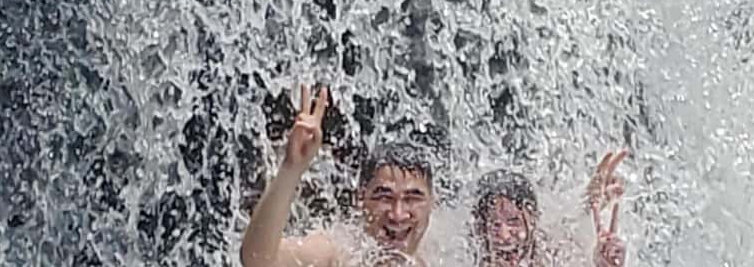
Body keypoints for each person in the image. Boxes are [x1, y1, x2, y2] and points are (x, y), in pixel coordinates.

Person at [240, 84, 437, 267]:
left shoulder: (441, 254)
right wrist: (291, 168)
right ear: (360, 200)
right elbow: (258, 260)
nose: (398, 214)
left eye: (412, 198)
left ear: (432, 203)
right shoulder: (337, 254)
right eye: (384, 197)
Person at [471, 150, 629, 267]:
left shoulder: (553, 252)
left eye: (513, 221)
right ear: (480, 227)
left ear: (532, 219)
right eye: (495, 224)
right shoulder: (460, 256)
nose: (504, 236)